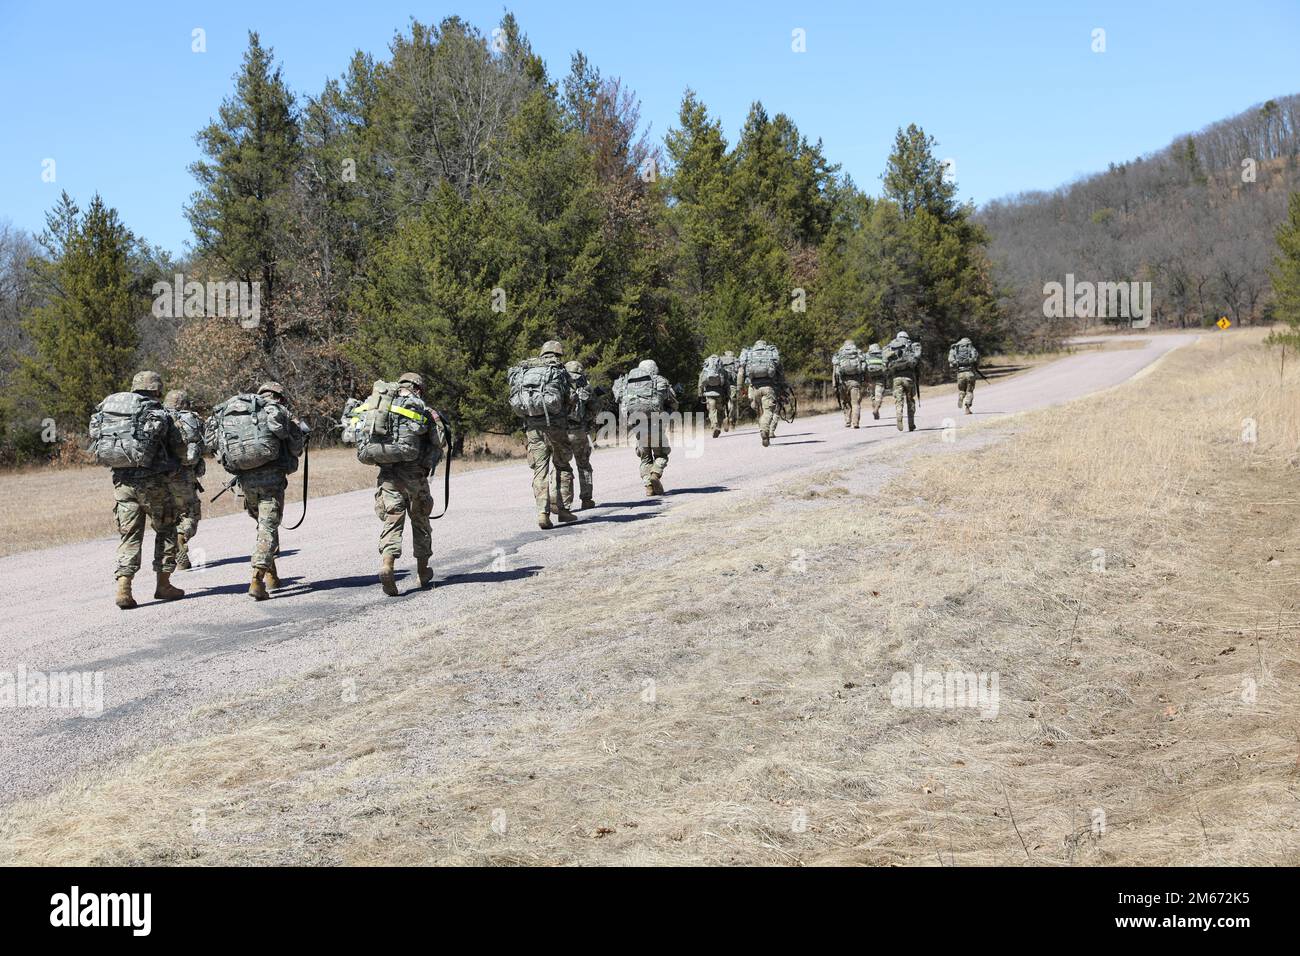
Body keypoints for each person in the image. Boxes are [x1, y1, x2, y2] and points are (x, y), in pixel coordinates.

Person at [90, 370, 188, 610]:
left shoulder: (113, 409)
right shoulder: (158, 412)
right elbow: (180, 448)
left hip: (122, 482)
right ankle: (163, 584)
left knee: (129, 534)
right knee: (166, 528)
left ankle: (124, 587)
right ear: (157, 390)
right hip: (153, 483)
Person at [208, 382, 307, 600]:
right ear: (279, 397)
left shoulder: (235, 410)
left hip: (245, 481)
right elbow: (296, 448)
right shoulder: (278, 411)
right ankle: (257, 578)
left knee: (263, 526)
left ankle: (272, 577)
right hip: (271, 480)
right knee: (268, 528)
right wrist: (297, 431)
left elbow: (214, 444)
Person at [347, 372, 441, 595]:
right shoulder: (421, 409)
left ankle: (387, 565)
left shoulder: (381, 407)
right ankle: (422, 571)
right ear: (418, 389)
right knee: (420, 521)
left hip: (387, 474)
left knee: (393, 519)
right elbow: (441, 440)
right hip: (415, 475)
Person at [507, 340, 577, 529]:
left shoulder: (526, 370)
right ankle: (563, 511)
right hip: (555, 426)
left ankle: (542, 513)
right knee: (562, 466)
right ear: (558, 354)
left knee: (540, 470)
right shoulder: (559, 370)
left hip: (532, 427)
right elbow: (571, 398)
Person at [616, 359, 678, 495]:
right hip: (657, 424)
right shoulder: (660, 381)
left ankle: (648, 486)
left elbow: (620, 400)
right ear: (654, 369)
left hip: (638, 426)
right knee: (662, 454)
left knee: (645, 458)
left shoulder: (628, 382)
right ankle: (655, 474)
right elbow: (673, 402)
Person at [163, 389, 206, 571]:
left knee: (170, 516)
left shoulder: (158, 417)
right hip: (183, 476)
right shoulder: (190, 419)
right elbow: (198, 452)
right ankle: (181, 539)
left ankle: (178, 558)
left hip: (159, 478)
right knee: (190, 514)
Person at [552, 360, 597, 511]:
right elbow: (594, 408)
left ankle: (562, 502)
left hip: (560, 431)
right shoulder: (585, 385)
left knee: (562, 466)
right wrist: (586, 420)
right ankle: (586, 499)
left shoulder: (557, 382)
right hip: (578, 431)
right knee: (583, 465)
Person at [739, 339, 784, 446]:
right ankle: (764, 430)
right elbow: (780, 370)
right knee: (768, 411)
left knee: (760, 411)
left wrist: (740, 387)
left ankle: (764, 431)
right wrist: (783, 386)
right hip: (768, 387)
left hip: (754, 388)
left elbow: (741, 372)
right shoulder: (770, 353)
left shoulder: (749, 354)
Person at [884, 331, 922, 432]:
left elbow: (884, 360)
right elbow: (917, 358)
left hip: (896, 378)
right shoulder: (910, 344)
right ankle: (911, 424)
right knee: (910, 401)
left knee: (898, 401)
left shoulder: (891, 345)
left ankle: (899, 417)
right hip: (909, 378)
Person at [832, 339, 867, 428]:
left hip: (843, 383)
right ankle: (855, 423)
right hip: (855, 382)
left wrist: (834, 384)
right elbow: (864, 368)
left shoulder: (839, 353)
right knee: (855, 403)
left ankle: (848, 420)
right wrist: (865, 381)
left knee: (845, 402)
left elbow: (835, 370)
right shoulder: (858, 352)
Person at [698, 353, 729, 438]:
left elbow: (700, 382)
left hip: (709, 393)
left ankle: (714, 426)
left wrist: (700, 394)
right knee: (719, 411)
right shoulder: (722, 371)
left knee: (712, 411)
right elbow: (726, 384)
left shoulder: (705, 370)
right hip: (719, 393)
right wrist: (727, 395)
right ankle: (718, 426)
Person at [948, 337, 981, 414]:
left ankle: (961, 396)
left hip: (960, 373)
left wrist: (957, 363)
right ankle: (967, 408)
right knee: (969, 391)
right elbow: (976, 359)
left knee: (962, 390)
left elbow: (950, 360)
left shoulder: (955, 348)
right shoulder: (971, 347)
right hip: (970, 373)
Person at [865, 343, 888, 420]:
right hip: (880, 378)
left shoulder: (867, 355)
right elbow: (886, 365)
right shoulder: (882, 354)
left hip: (870, 379)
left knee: (873, 396)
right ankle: (876, 409)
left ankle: (875, 410)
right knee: (879, 395)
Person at [719, 349, 740, 430]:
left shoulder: (720, 360)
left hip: (722, 385)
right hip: (732, 385)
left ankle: (724, 418)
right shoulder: (735, 360)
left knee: (722, 403)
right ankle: (731, 420)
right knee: (732, 403)